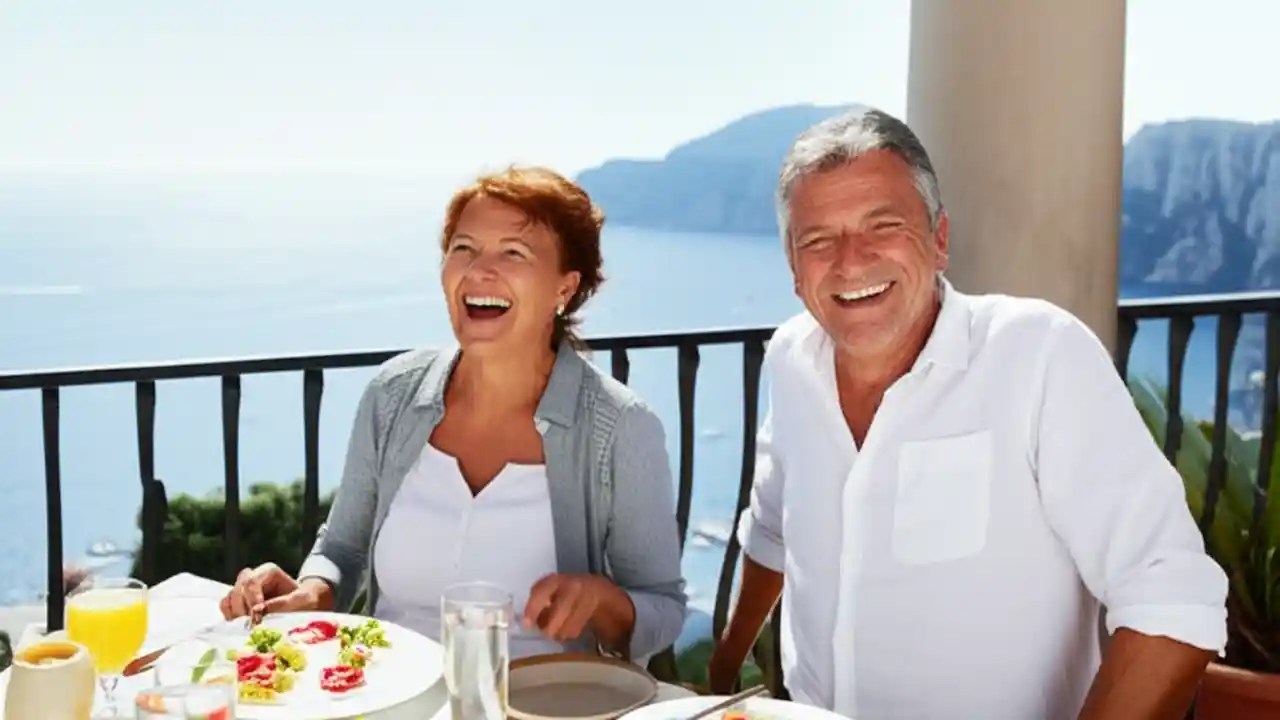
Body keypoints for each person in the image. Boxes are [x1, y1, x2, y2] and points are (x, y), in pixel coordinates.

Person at [708, 108, 1228, 719]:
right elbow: (772, 527)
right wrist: (723, 674)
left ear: (941, 239)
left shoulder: (1039, 355)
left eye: (885, 224)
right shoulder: (792, 358)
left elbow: (1171, 594)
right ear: (795, 272)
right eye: (818, 240)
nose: (851, 261)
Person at [220, 166, 686, 661]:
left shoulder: (621, 429)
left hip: (543, 706)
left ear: (563, 289)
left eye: (514, 252)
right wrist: (314, 590)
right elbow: (343, 548)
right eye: (463, 249)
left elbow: (663, 610)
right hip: (384, 695)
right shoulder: (393, 394)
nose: (480, 270)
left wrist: (604, 601)